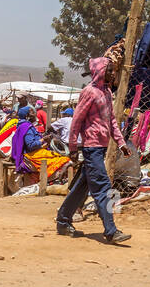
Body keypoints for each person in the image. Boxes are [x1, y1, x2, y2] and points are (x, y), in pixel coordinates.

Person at [56, 57, 132, 244]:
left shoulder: (106, 92)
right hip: (91, 148)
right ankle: (111, 230)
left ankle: (63, 221)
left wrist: (121, 143)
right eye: (110, 70)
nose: (113, 74)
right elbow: (76, 120)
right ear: (100, 71)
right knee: (103, 187)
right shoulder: (89, 92)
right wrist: (73, 146)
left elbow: (112, 121)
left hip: (101, 147)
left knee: (82, 187)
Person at [10, 105, 70, 180]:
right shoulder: (26, 127)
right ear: (27, 116)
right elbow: (31, 145)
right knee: (64, 160)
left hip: (34, 152)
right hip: (31, 156)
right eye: (32, 112)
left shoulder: (26, 126)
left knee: (57, 156)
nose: (35, 113)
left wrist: (46, 143)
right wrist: (43, 139)